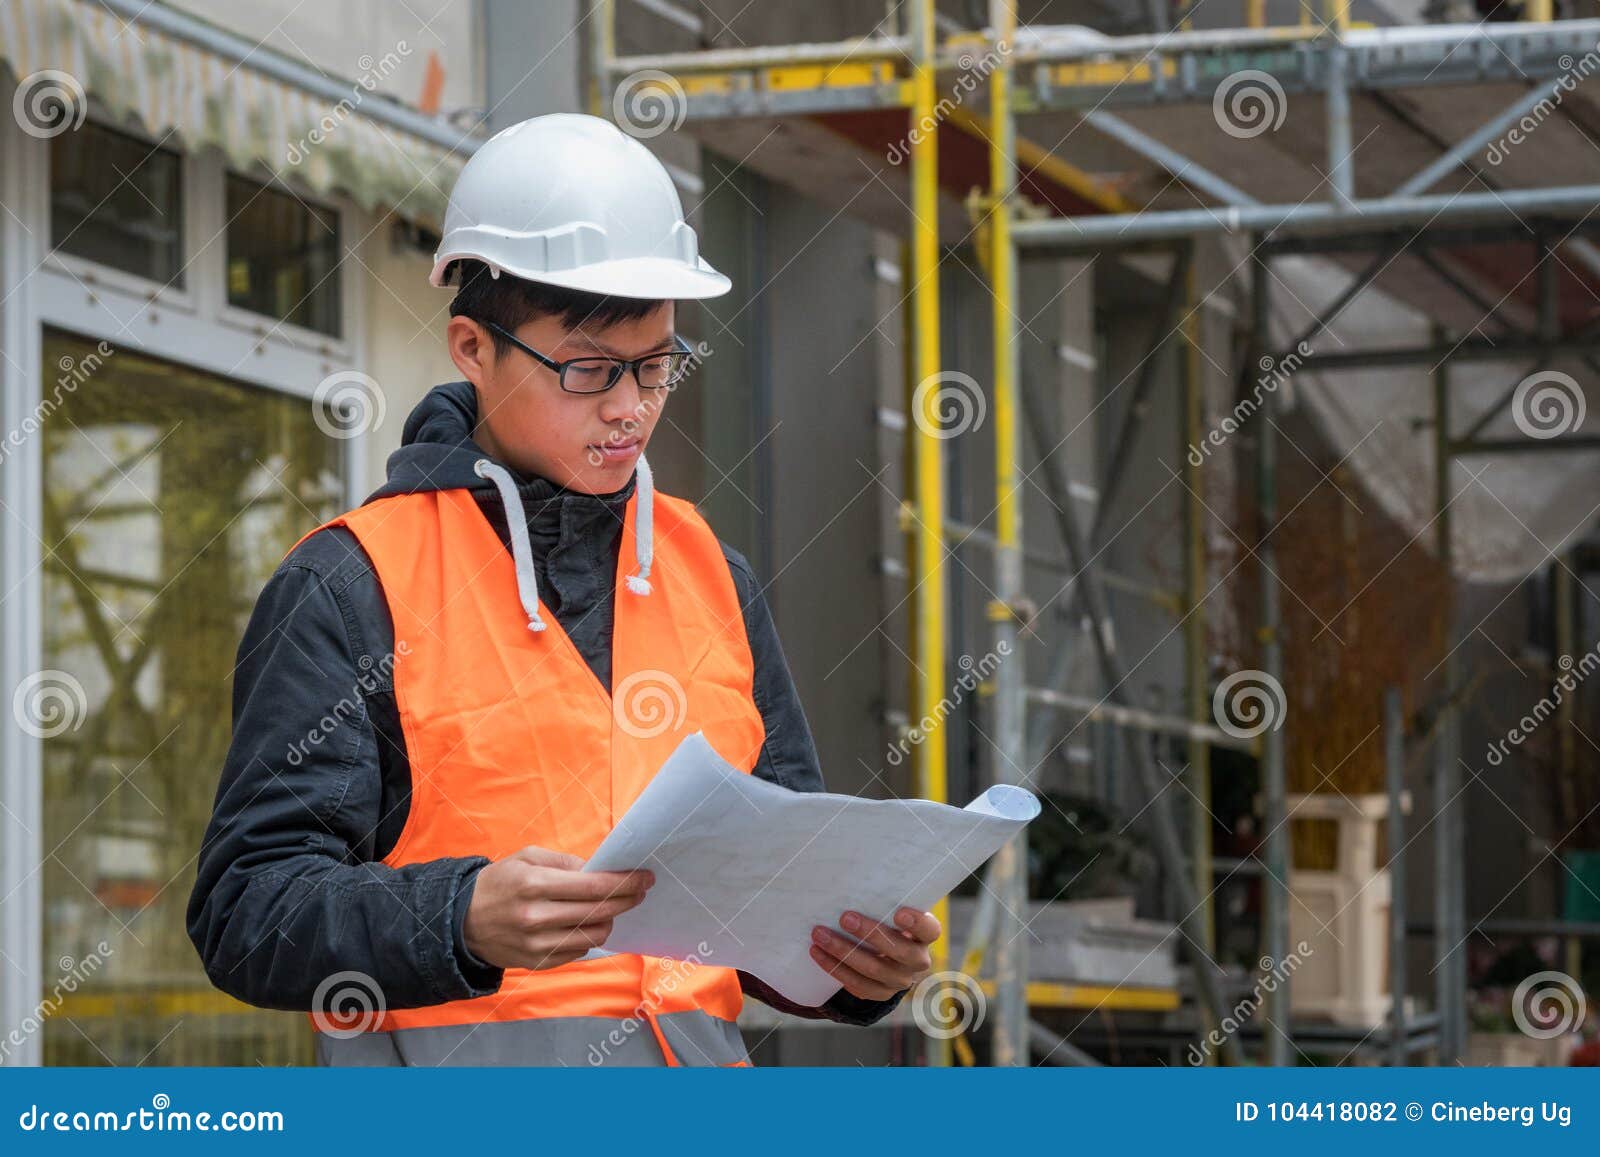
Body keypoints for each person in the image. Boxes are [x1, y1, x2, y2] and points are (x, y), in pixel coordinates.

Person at [187, 112, 942, 1066]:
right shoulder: (349, 583)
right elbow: (245, 909)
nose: (631, 407)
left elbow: (775, 889)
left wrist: (852, 965)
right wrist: (456, 917)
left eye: (658, 364)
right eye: (589, 370)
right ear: (472, 347)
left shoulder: (713, 575)